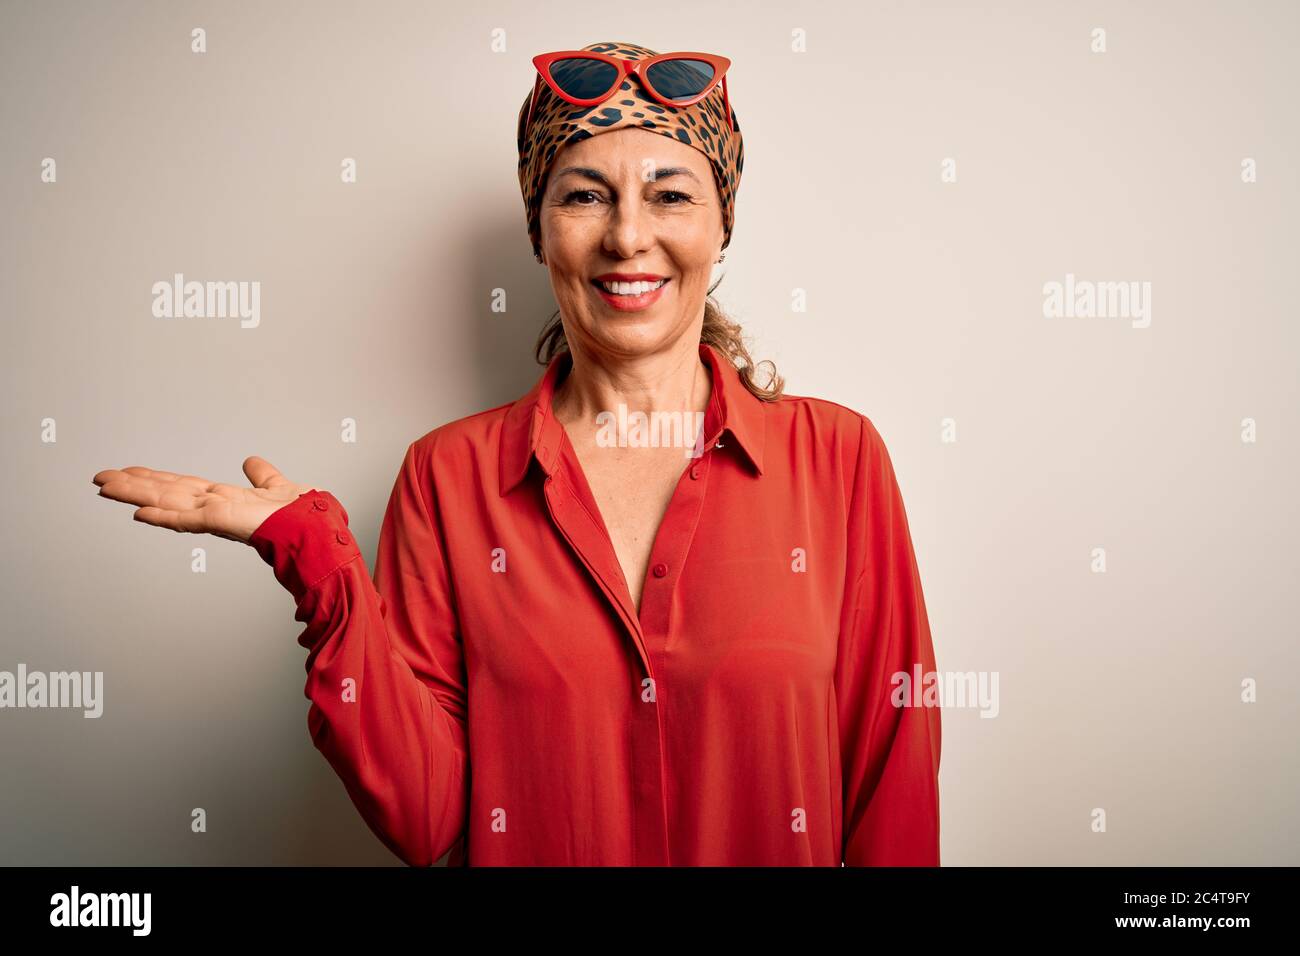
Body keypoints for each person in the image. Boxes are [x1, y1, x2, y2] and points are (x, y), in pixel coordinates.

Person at [92, 40, 941, 866]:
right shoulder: (445, 478)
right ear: (538, 229)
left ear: (723, 226)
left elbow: (894, 789)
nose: (627, 237)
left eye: (671, 196)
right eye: (584, 197)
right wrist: (322, 568)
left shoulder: (840, 462)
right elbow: (426, 818)